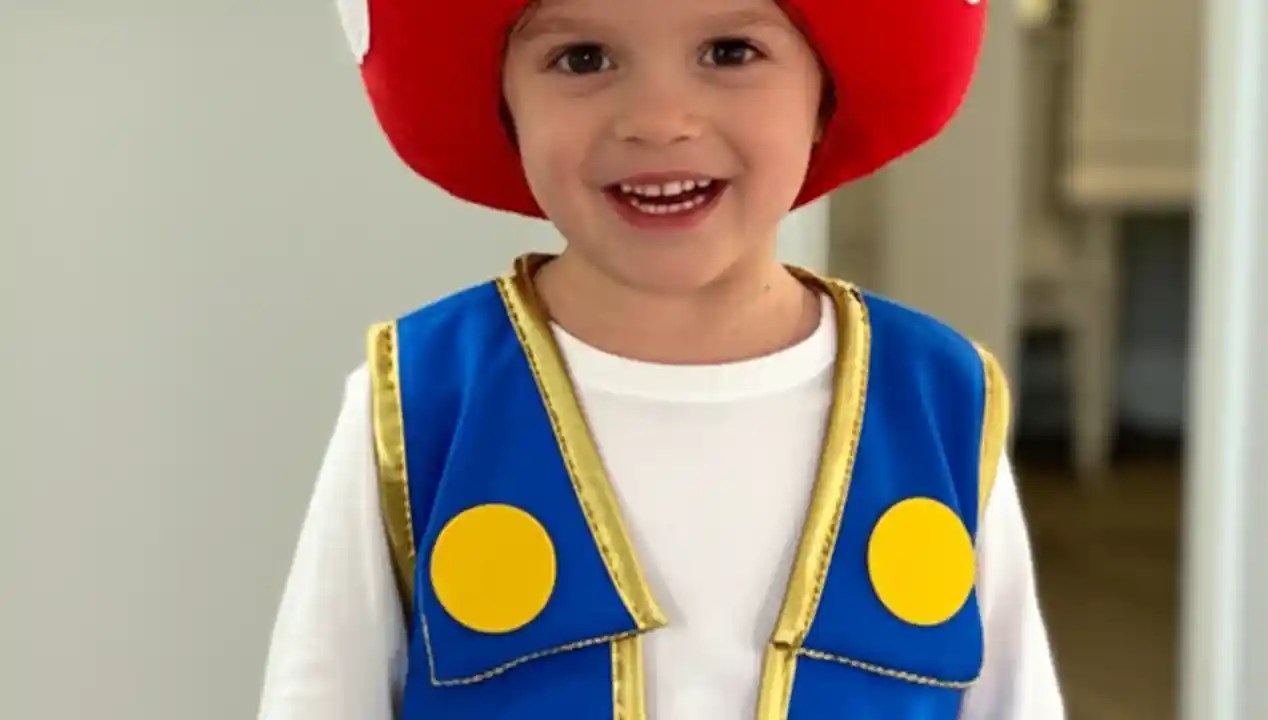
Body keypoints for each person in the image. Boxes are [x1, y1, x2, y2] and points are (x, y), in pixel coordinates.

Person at [259, 0, 1064, 717]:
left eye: (729, 52)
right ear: (503, 103)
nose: (658, 118)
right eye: (583, 59)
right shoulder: (421, 398)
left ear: (826, 91)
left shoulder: (937, 400)